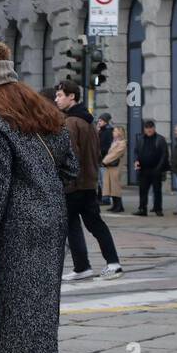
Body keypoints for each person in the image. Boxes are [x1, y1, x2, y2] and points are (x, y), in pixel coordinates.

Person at [0, 42, 77, 353]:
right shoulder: (49, 116)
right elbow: (70, 172)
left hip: (17, 224)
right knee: (38, 302)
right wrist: (44, 192)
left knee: (16, 305)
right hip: (53, 220)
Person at [53, 80, 122, 281]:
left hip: (74, 184)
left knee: (72, 225)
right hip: (89, 182)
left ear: (71, 97)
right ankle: (106, 263)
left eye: (60, 95)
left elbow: (70, 155)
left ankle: (86, 266)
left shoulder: (71, 122)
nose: (57, 99)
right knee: (92, 224)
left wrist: (64, 179)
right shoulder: (88, 120)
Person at [134, 119, 168, 216]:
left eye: (150, 128)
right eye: (147, 128)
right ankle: (142, 209)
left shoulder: (160, 139)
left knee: (157, 190)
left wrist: (159, 168)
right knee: (142, 190)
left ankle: (158, 209)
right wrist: (136, 161)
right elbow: (136, 151)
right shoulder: (140, 139)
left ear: (154, 128)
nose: (149, 130)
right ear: (144, 129)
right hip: (143, 169)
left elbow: (164, 155)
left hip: (156, 169)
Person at [103, 125, 127, 214]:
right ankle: (115, 205)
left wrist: (104, 161)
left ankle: (119, 206)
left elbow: (115, 154)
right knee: (111, 187)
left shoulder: (122, 143)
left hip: (116, 167)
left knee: (116, 187)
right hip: (111, 167)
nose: (113, 133)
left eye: (115, 131)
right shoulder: (115, 142)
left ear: (119, 133)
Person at [96, 113, 114, 204]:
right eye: (98, 121)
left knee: (104, 180)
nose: (99, 122)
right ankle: (100, 198)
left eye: (101, 121)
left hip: (104, 159)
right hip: (100, 160)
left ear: (106, 122)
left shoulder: (108, 131)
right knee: (100, 180)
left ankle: (105, 198)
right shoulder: (101, 131)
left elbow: (106, 146)